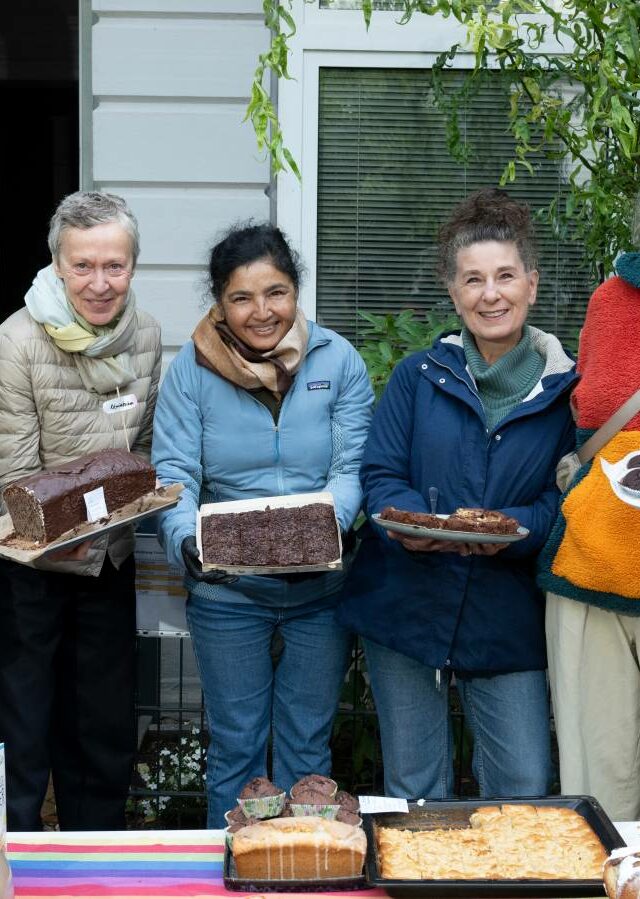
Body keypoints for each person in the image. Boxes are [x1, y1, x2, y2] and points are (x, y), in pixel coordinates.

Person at [338, 188, 577, 800]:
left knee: (523, 784)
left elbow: (567, 503)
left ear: (532, 283)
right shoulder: (418, 378)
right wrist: (411, 519)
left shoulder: (568, 394)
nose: (489, 293)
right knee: (416, 787)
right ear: (453, 293)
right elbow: (381, 472)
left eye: (504, 276)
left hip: (506, 609)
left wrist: (510, 527)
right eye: (472, 280)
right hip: (406, 598)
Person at [152, 222, 374, 828]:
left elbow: (351, 463)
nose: (261, 311)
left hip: (321, 592)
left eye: (275, 292)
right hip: (229, 593)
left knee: (307, 752)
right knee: (236, 749)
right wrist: (184, 539)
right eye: (241, 297)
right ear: (219, 303)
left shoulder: (338, 360)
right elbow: (173, 471)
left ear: (296, 291)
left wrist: (339, 522)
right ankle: (234, 872)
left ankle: (306, 869)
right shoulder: (192, 371)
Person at [0, 191, 162, 831]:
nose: (99, 283)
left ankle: (95, 855)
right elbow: (12, 471)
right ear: (57, 266)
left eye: (114, 266)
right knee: (26, 718)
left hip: (109, 560)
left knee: (102, 722)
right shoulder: (16, 340)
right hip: (31, 567)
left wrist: (123, 518)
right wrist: (48, 541)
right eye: (83, 266)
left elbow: (143, 446)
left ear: (132, 266)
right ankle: (15, 856)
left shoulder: (145, 334)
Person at [539, 195, 640, 821]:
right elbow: (596, 416)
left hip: (603, 543)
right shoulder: (612, 300)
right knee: (601, 773)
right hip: (599, 553)